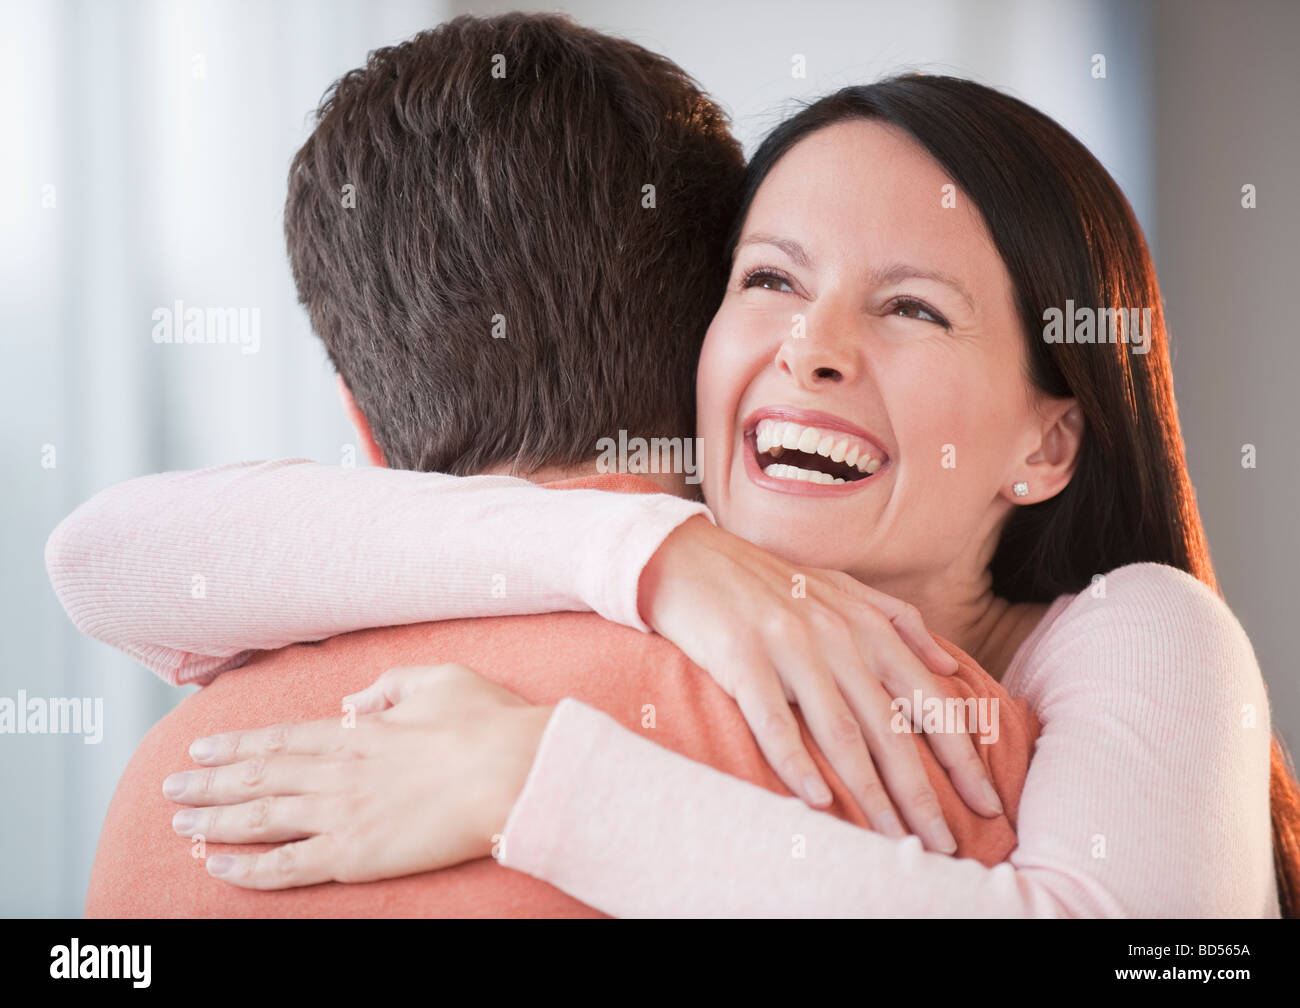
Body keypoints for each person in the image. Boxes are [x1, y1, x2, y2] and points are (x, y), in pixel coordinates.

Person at [49, 69, 1298, 914]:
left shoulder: (1143, 628)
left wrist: (527, 780)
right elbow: (109, 558)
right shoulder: (672, 567)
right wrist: (654, 553)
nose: (810, 345)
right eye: (768, 279)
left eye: (912, 307)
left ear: (1049, 445)